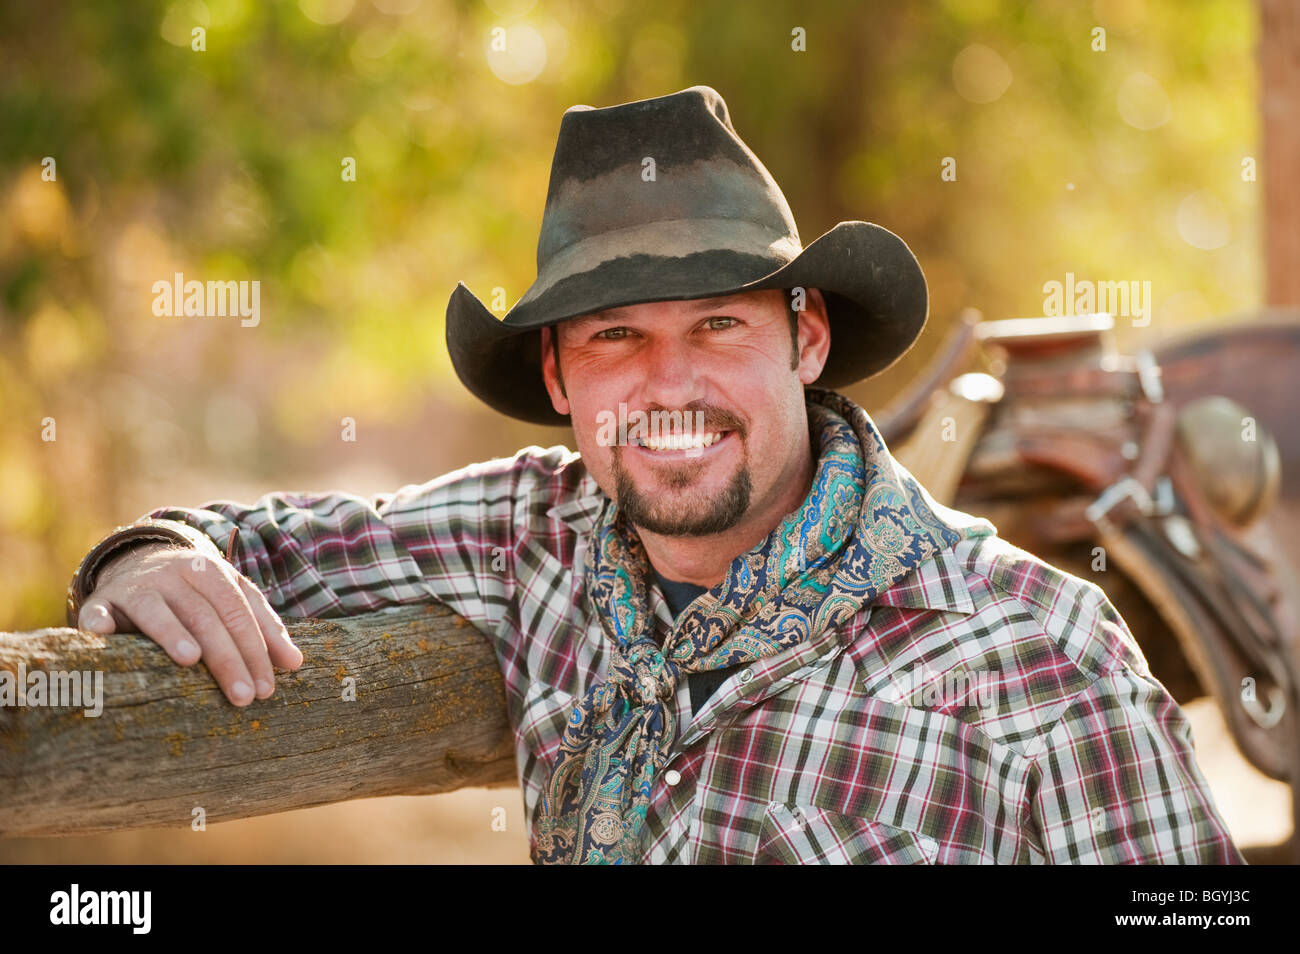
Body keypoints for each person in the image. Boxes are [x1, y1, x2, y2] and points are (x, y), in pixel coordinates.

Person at [65, 86, 1244, 865]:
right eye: (614, 337)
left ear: (807, 337)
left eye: (717, 328)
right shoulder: (532, 532)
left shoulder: (1041, 660)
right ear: (560, 375)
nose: (667, 383)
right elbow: (262, 544)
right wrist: (147, 554)